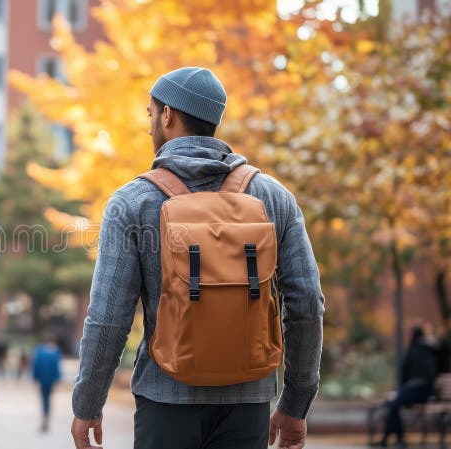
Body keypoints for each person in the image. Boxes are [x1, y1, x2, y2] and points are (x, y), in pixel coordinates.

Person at [70, 67, 325, 449]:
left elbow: (108, 318)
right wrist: (295, 402)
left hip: (165, 399)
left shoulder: (133, 202)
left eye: (150, 114)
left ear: (167, 115)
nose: (149, 127)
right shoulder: (272, 197)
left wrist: (88, 403)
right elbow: (306, 304)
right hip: (247, 403)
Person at [377, 325, 438, 447]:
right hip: (424, 391)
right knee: (392, 405)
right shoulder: (429, 350)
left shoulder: (413, 350)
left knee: (392, 405)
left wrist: (401, 390)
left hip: (416, 391)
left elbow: (403, 375)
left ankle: (395, 438)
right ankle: (392, 439)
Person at [33, 334, 62, 433]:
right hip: (50, 379)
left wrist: (35, 377)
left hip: (43, 378)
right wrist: (58, 379)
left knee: (44, 398)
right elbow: (57, 367)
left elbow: (36, 364)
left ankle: (45, 416)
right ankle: (46, 416)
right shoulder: (56, 351)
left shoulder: (40, 350)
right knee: (47, 398)